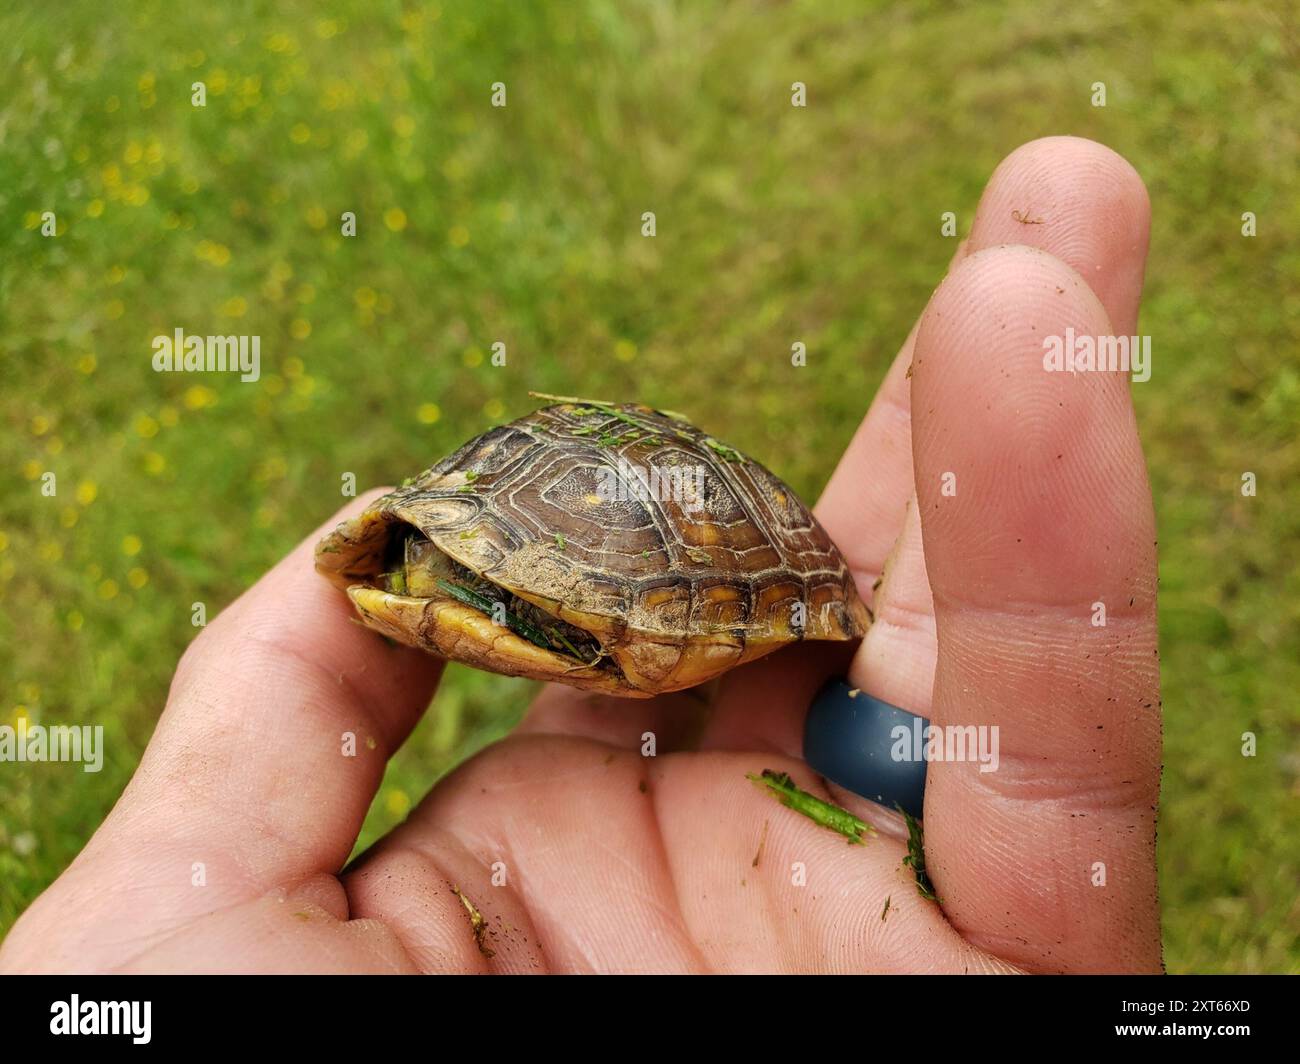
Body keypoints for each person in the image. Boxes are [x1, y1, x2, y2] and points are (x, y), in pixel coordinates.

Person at [0, 136, 1160, 974]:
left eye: (422, 559)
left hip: (668, 580)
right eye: (411, 559)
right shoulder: (404, 557)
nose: (405, 572)